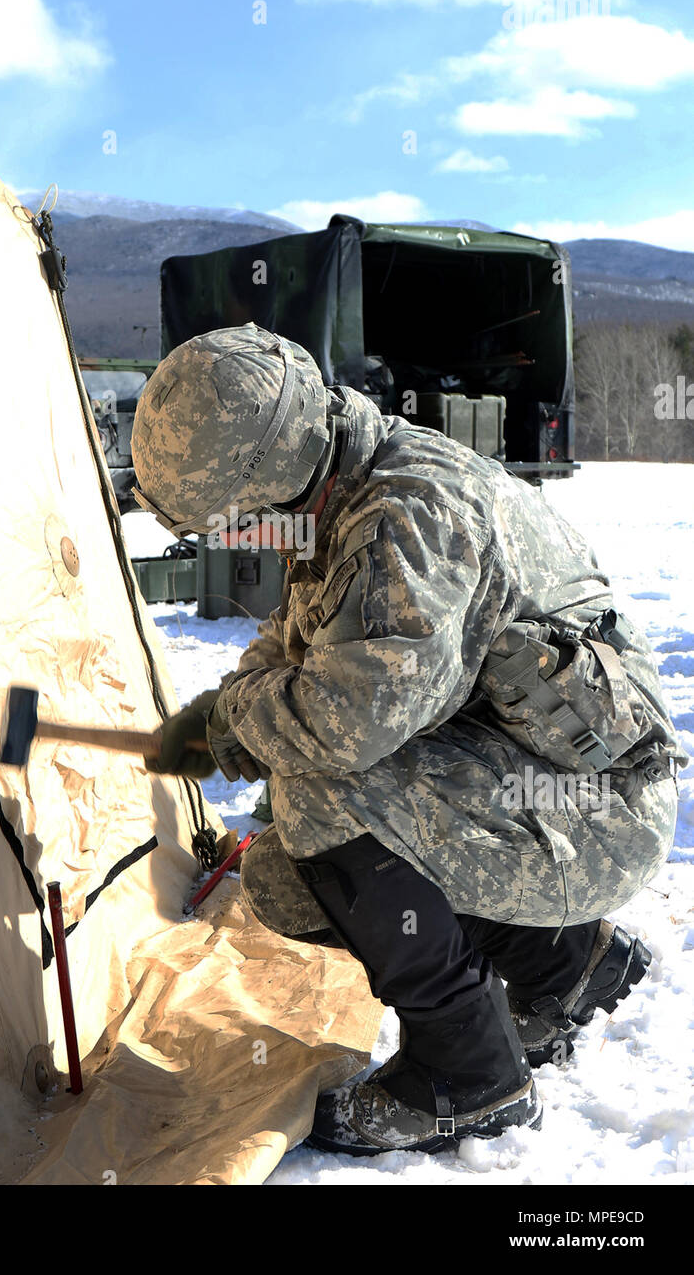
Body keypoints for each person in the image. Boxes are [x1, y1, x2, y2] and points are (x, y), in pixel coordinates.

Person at [130, 322, 684, 1156]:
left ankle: (470, 1076)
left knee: (323, 791)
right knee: (288, 874)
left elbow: (338, 726)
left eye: (230, 515)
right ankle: (567, 963)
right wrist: (226, 707)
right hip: (540, 782)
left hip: (596, 811)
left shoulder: (407, 519)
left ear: (268, 475)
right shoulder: (342, 479)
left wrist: (232, 723)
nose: (231, 536)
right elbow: (294, 640)